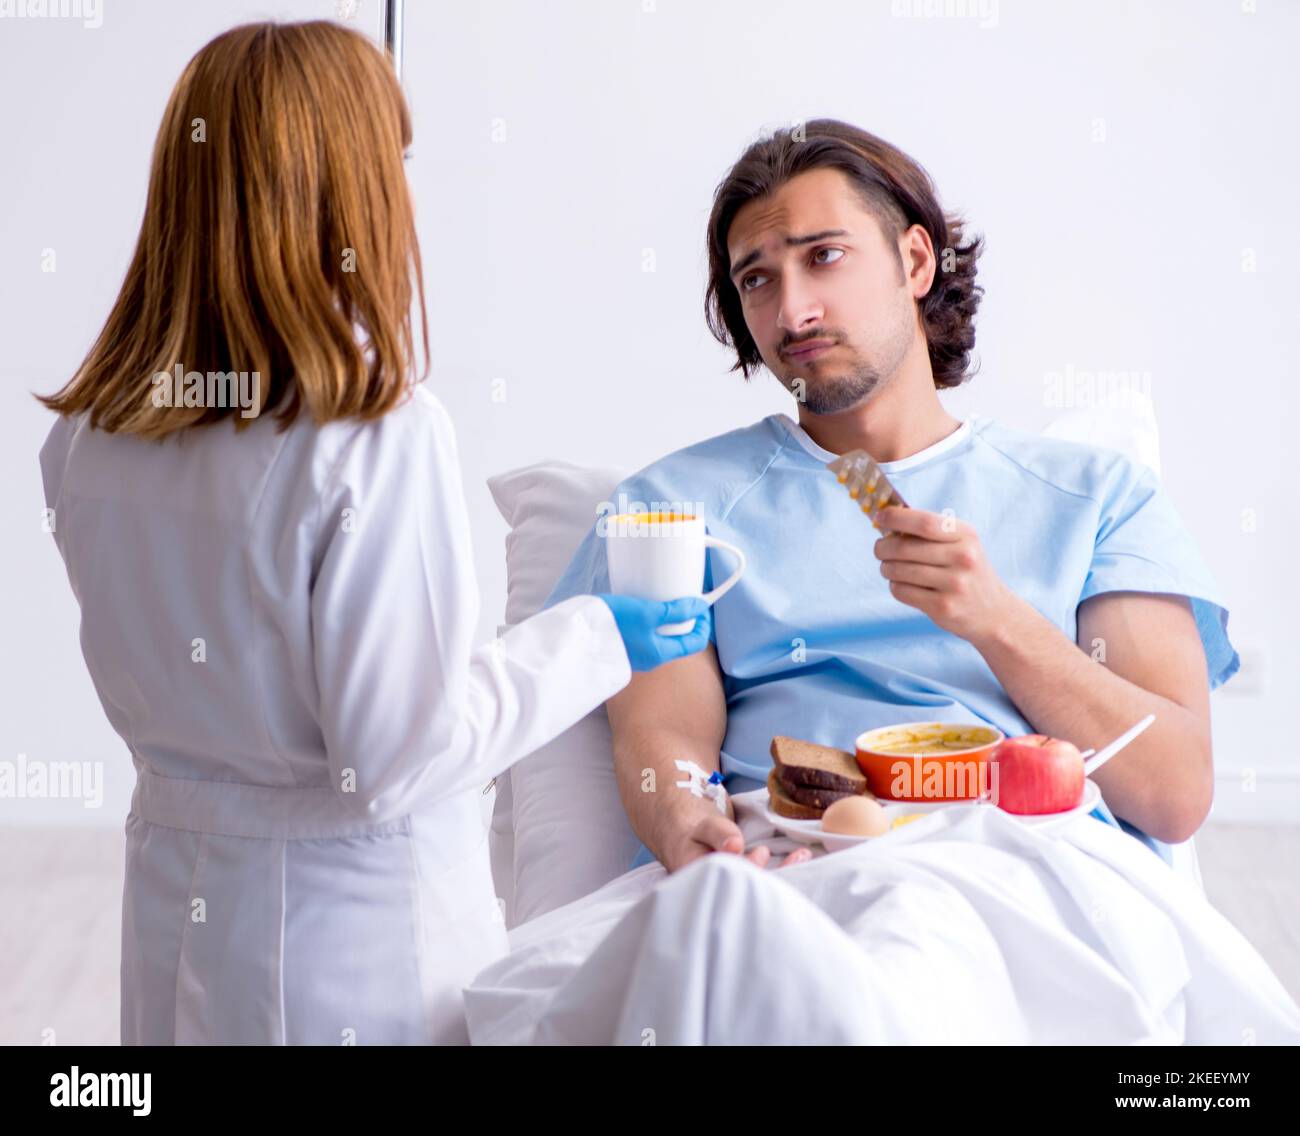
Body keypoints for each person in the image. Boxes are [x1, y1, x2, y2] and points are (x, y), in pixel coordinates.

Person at [36, 21, 709, 1046]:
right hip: (346, 947)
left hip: (175, 909)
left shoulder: (93, 435)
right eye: (391, 160)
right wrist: (595, 637)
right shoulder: (369, 435)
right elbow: (394, 754)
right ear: (343, 184)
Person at [546, 119, 1238, 875]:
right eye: (757, 279)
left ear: (914, 260)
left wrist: (998, 621)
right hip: (787, 872)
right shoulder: (671, 510)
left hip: (1024, 873)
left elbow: (1173, 793)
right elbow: (665, 740)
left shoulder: (1096, 496)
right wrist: (686, 826)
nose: (793, 312)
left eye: (825, 257)